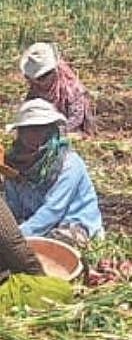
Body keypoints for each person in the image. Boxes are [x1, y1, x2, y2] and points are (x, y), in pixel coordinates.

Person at [3, 100, 103, 247]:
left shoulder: (69, 164)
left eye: (40, 129)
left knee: (54, 245)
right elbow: (13, 206)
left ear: (50, 130)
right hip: (30, 224)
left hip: (72, 225)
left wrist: (16, 238)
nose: (32, 135)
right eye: (28, 129)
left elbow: (53, 210)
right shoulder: (14, 163)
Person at [20, 42, 95, 136]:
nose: (40, 82)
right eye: (37, 79)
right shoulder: (35, 90)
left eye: (43, 77)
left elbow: (76, 119)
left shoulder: (72, 90)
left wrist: (53, 133)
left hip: (70, 133)